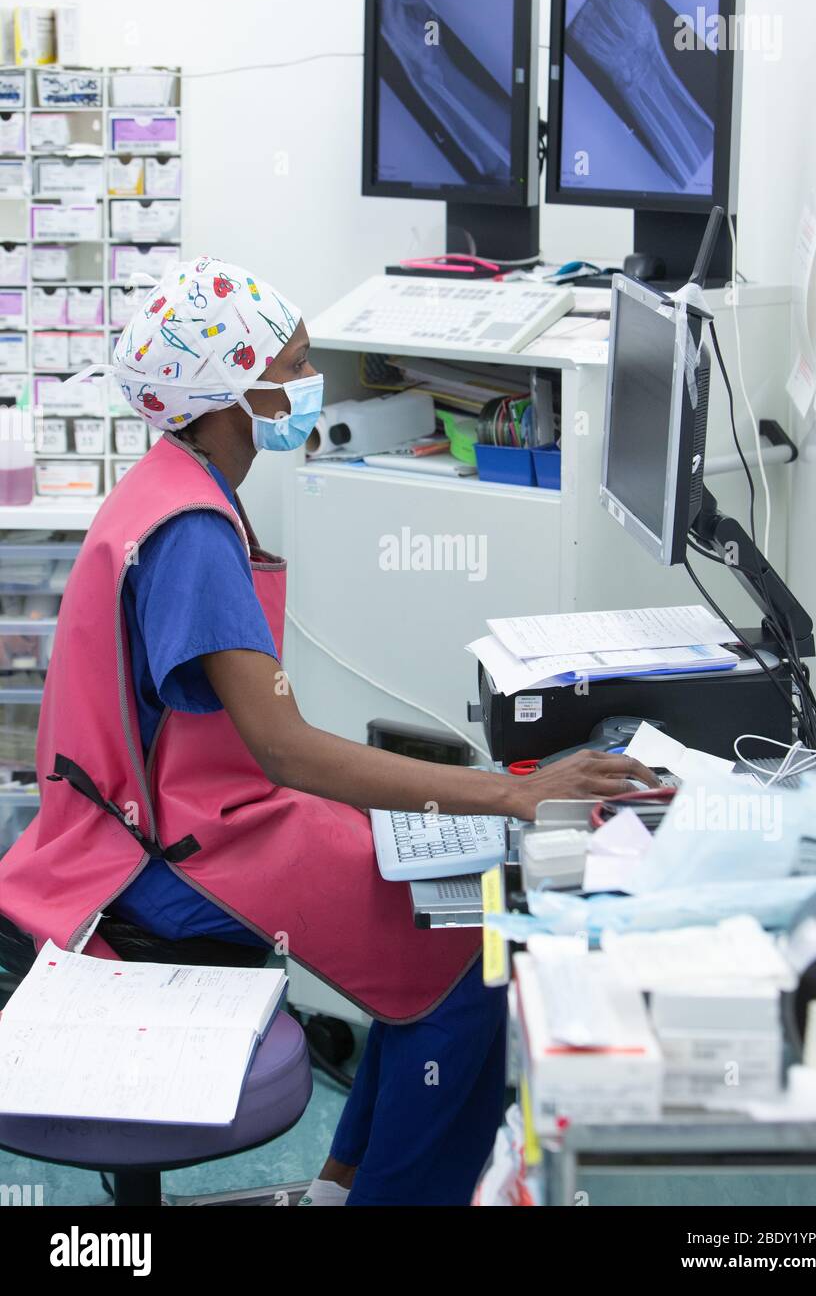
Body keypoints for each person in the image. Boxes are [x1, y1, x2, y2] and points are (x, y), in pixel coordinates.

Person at [0, 256, 658, 1206]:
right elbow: (287, 750)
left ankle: (342, 1185)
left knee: (450, 922)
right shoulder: (189, 532)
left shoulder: (172, 488)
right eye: (294, 363)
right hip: (165, 855)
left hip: (184, 817)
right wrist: (515, 793)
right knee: (464, 952)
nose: (308, 383)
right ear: (232, 389)